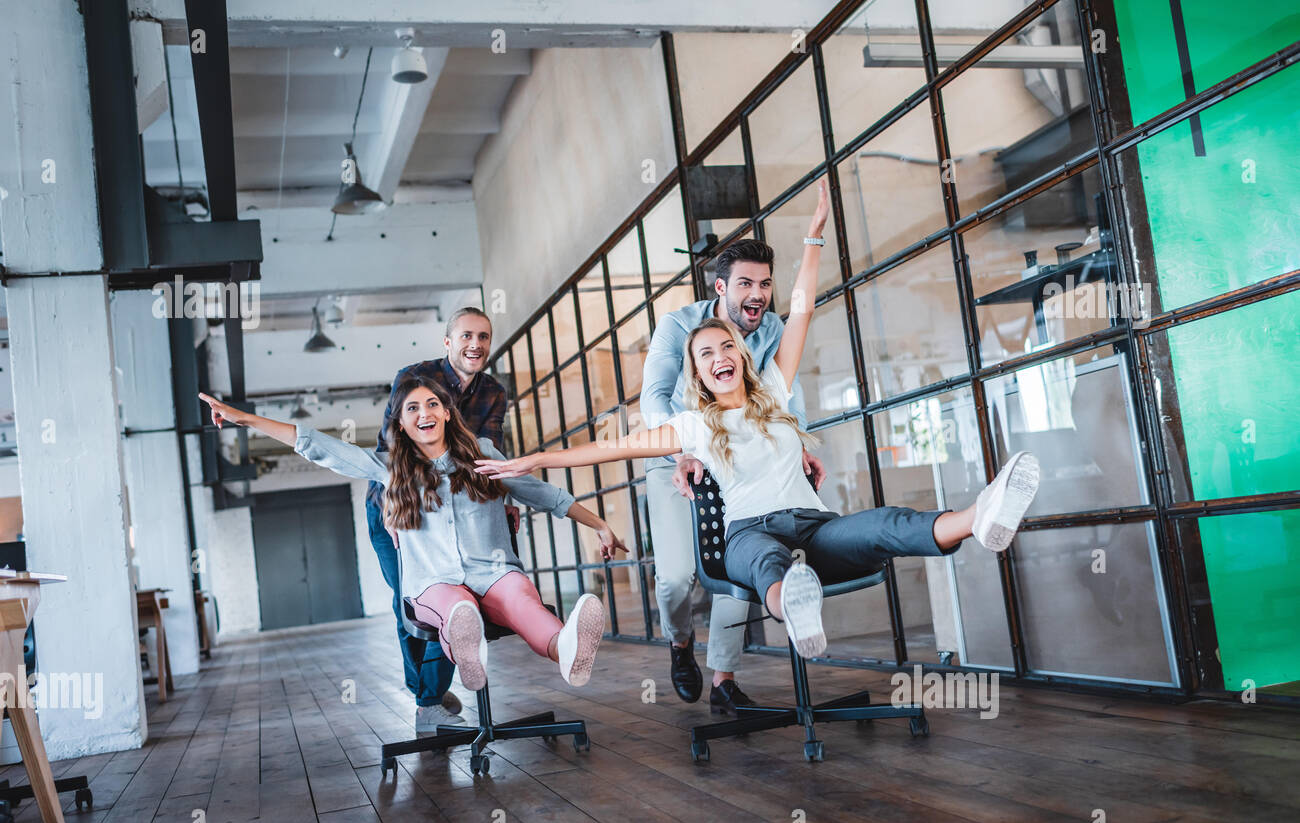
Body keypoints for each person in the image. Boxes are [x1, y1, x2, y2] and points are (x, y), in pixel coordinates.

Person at [475, 204, 1041, 663]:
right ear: (696, 371)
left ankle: (980, 516)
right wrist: (532, 461)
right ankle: (792, 609)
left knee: (886, 524)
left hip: (814, 527)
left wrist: (814, 238)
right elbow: (609, 447)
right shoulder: (691, 425)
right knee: (769, 566)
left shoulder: (773, 387)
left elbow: (801, 309)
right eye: (707, 353)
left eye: (729, 348)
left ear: (742, 358)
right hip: (751, 533)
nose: (721, 355)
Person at [199, 375, 627, 698]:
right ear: (401, 424)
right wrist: (244, 419)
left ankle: (565, 650)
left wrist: (599, 524)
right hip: (433, 583)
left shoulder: (483, 456)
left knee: (519, 595)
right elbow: (319, 445)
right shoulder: (390, 468)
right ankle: (467, 654)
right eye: (412, 408)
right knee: (458, 607)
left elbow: (541, 493)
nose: (424, 412)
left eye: (432, 403)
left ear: (445, 413)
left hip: (493, 573)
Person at [636, 187, 830, 715]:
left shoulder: (769, 329)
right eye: (745, 283)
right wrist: (678, 452)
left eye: (765, 285)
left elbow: (785, 390)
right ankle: (680, 645)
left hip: (736, 461)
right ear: (721, 288)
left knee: (733, 565)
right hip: (674, 458)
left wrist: (802, 444)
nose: (758, 295)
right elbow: (653, 395)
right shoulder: (679, 326)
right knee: (676, 577)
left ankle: (723, 678)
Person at [367, 306, 519, 730]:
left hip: (460, 508)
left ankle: (428, 695)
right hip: (403, 506)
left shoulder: (493, 392)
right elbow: (390, 447)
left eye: (484, 337)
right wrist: (393, 507)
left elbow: (492, 453)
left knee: (457, 594)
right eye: (466, 336)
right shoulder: (414, 377)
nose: (476, 345)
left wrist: (505, 498)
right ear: (448, 342)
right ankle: (428, 697)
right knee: (413, 597)